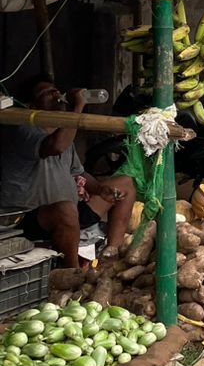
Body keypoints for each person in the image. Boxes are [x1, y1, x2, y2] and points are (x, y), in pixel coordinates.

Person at [0, 77, 135, 267]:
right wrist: (77, 107)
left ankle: (111, 256)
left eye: (55, 89)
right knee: (65, 209)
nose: (55, 94)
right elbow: (55, 146)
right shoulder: (24, 130)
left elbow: (78, 173)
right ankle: (73, 273)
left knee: (125, 184)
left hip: (70, 212)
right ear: (32, 106)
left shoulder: (62, 132)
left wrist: (99, 189)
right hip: (29, 218)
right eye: (47, 93)